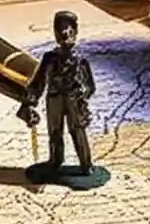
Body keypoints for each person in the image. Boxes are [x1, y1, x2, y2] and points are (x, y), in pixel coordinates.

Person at [17, 11, 96, 175]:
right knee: (54, 131)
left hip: (74, 100)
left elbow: (90, 86)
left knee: (77, 131)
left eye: (69, 32)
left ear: (75, 32)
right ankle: (55, 160)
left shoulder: (81, 61)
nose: (65, 36)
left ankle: (85, 164)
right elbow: (37, 83)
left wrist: (83, 93)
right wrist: (28, 103)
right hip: (54, 99)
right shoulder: (49, 58)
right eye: (61, 32)